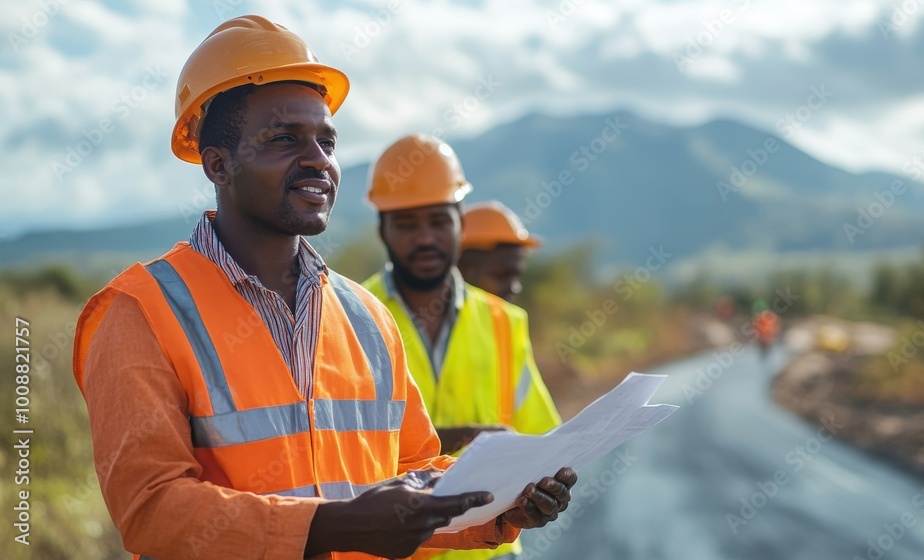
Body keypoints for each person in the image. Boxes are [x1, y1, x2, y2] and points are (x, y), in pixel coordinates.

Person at [71, 16, 575, 560]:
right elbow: (151, 510)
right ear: (218, 164)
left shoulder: (367, 316)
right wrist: (332, 527)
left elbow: (410, 473)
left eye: (327, 140)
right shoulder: (139, 311)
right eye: (284, 138)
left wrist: (500, 503)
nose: (319, 160)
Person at [362, 135, 563, 560]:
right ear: (383, 229)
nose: (425, 239)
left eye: (438, 221)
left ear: (459, 222)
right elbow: (343, 455)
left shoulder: (505, 322)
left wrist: (548, 481)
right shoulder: (346, 320)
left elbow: (540, 437)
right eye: (406, 224)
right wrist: (466, 440)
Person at [458, 201, 541, 302]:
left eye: (516, 276)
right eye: (502, 276)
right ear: (463, 271)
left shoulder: (510, 317)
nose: (515, 288)